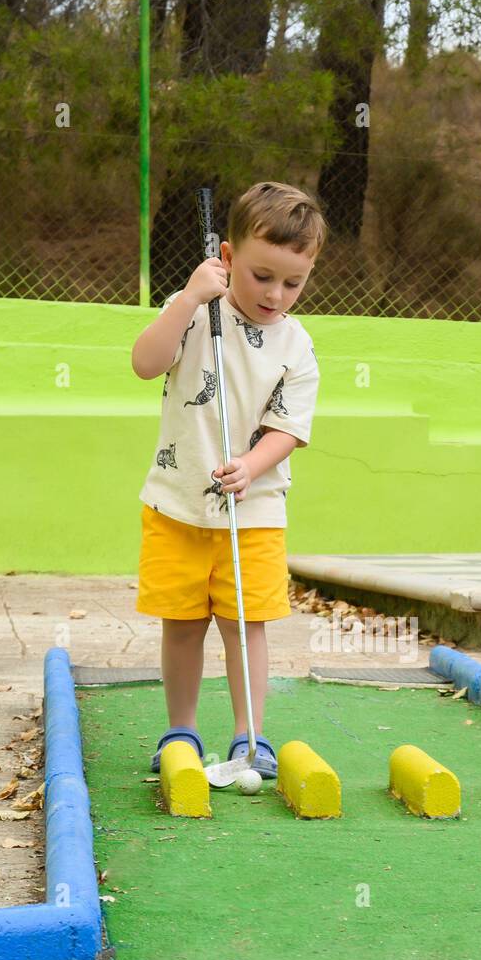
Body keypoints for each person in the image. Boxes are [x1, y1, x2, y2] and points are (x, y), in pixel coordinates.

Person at [131, 181, 326, 780]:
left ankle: (250, 736)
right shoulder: (191, 310)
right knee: (184, 625)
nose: (276, 293)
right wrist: (188, 298)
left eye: (293, 282)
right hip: (178, 503)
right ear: (227, 255)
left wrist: (252, 465)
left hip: (256, 510)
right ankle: (181, 730)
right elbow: (145, 363)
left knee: (246, 626)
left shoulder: (297, 344)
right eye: (262, 275)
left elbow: (287, 429)